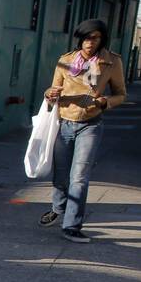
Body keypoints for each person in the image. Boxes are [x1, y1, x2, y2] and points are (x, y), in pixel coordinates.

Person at [40, 19, 128, 242]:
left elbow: (121, 94)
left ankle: (72, 225)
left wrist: (104, 101)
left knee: (79, 177)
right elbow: (53, 90)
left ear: (102, 39)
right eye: (87, 38)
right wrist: (49, 94)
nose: (90, 42)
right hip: (64, 123)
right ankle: (58, 209)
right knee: (61, 175)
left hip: (91, 124)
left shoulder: (112, 62)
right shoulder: (66, 60)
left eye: (95, 38)